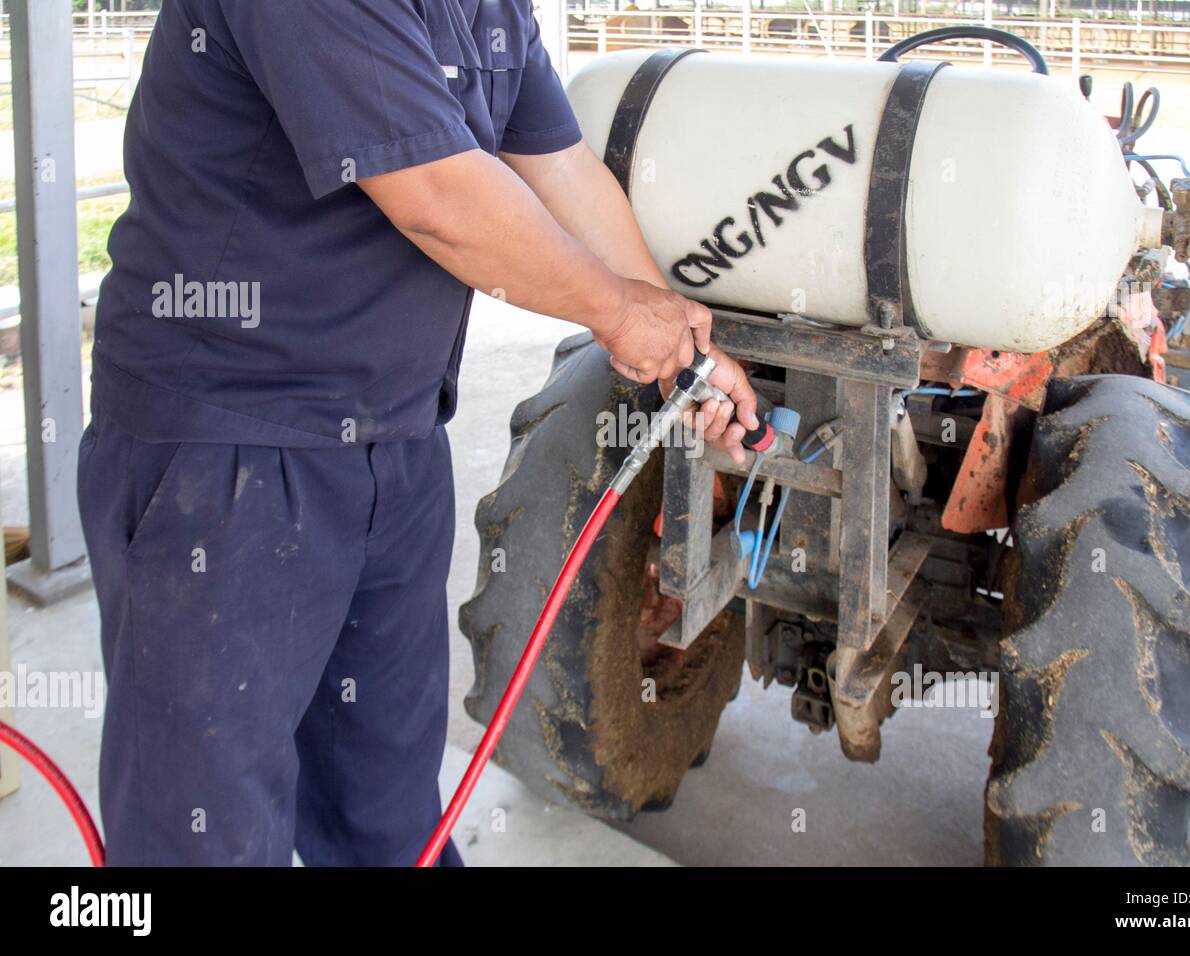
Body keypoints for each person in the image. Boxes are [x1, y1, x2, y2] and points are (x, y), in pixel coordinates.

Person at [78, 0, 758, 866]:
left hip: (394, 441)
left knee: (385, 799)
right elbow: (437, 197)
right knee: (208, 823)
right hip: (230, 453)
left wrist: (682, 346)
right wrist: (620, 316)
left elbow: (559, 166)